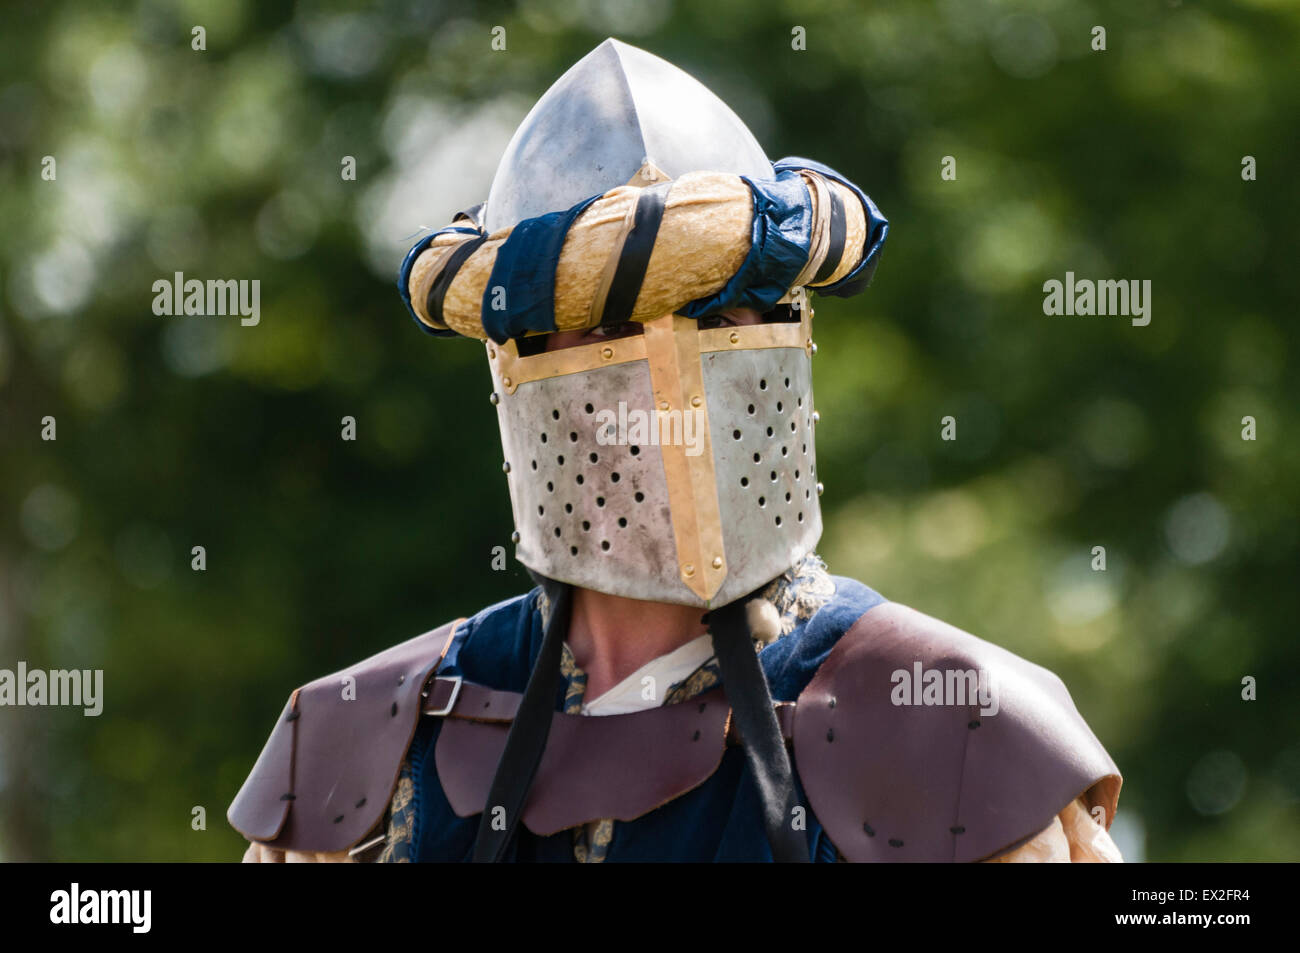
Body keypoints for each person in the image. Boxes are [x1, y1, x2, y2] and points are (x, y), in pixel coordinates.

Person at [230, 38, 1122, 863]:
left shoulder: (957, 731)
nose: (671, 387)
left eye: (717, 316)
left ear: (787, 329)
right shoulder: (366, 750)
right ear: (517, 363)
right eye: (610, 326)